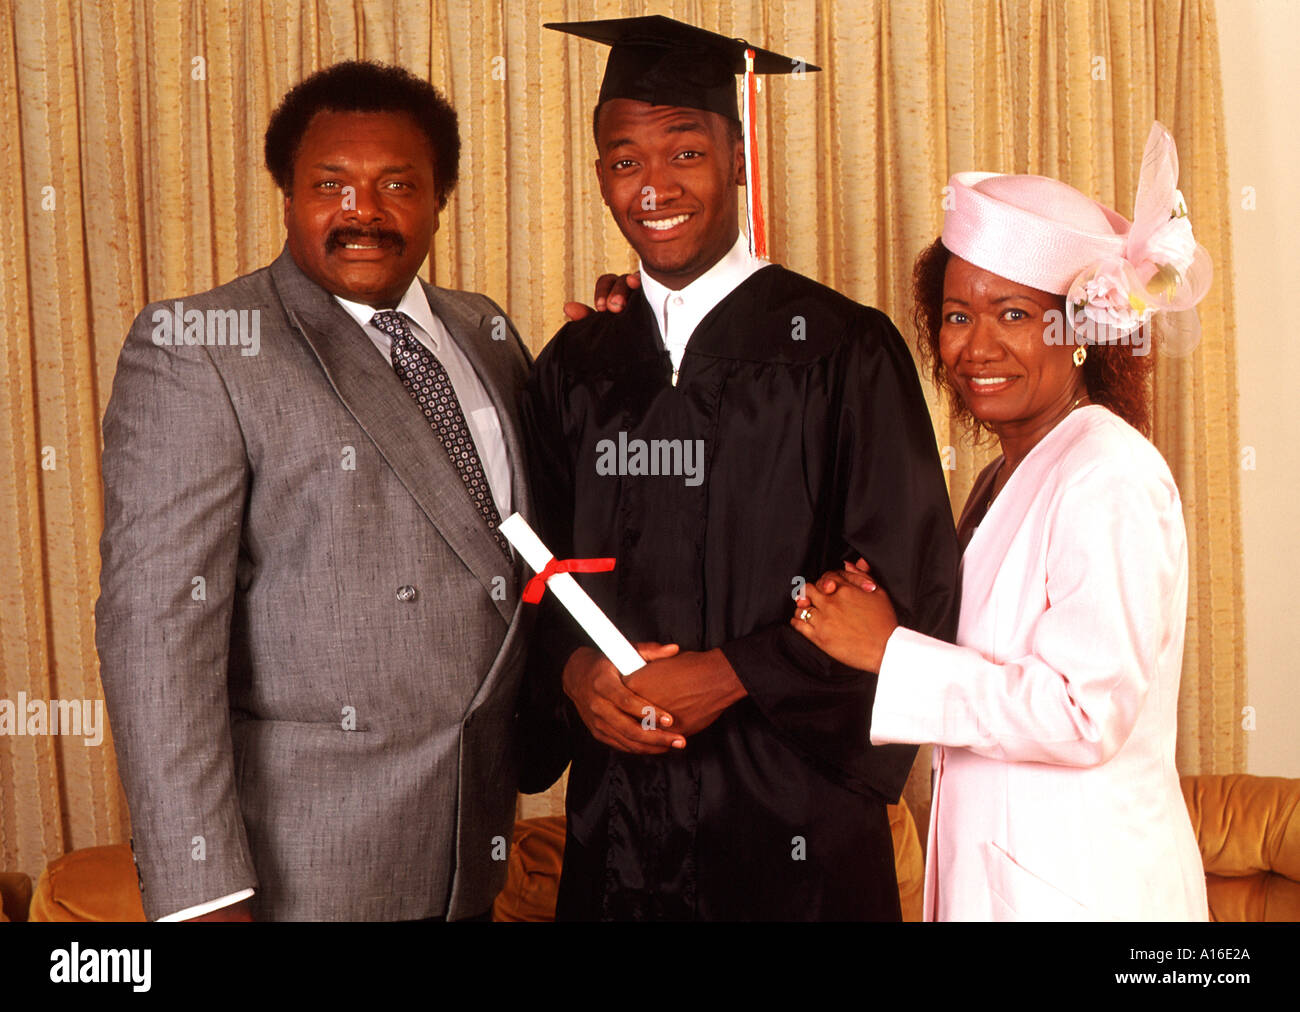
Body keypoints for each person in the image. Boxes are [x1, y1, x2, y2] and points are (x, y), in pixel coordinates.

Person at [524, 16, 960, 920]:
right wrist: (574, 680)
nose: (655, 186)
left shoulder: (842, 347)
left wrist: (731, 673)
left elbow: (907, 585)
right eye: (623, 159)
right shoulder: (577, 364)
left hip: (793, 825)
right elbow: (530, 571)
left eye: (685, 151)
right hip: (621, 834)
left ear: (738, 159)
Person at [95, 61, 534, 921]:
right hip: (306, 866)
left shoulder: (483, 330)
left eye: (396, 185)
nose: (361, 211)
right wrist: (203, 891)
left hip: (472, 842)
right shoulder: (204, 346)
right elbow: (154, 632)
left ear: (440, 197)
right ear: (289, 196)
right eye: (330, 185)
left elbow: (511, 548)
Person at [793, 122, 1211, 921]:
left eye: (1014, 315)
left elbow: (1084, 714)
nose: (976, 346)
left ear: (1077, 330)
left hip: (1090, 894)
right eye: (957, 316)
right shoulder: (1003, 476)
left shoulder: (1107, 473)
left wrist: (890, 651)